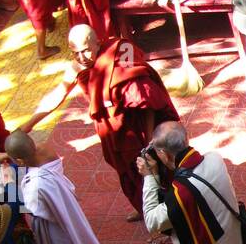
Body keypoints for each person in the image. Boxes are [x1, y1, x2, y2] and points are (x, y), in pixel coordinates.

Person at [19, 25, 178, 220]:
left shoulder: (122, 52)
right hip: (110, 130)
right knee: (127, 173)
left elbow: (144, 97)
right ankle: (144, 206)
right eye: (75, 52)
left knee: (152, 171)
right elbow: (59, 93)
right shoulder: (77, 67)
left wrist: (149, 139)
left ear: (97, 43)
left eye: (86, 50)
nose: (82, 57)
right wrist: (30, 123)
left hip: (136, 128)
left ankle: (164, 217)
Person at [3, 130, 110, 244]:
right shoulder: (45, 152)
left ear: (20, 161)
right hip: (66, 212)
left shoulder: (36, 185)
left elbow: (30, 208)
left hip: (55, 226)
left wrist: (9, 182)